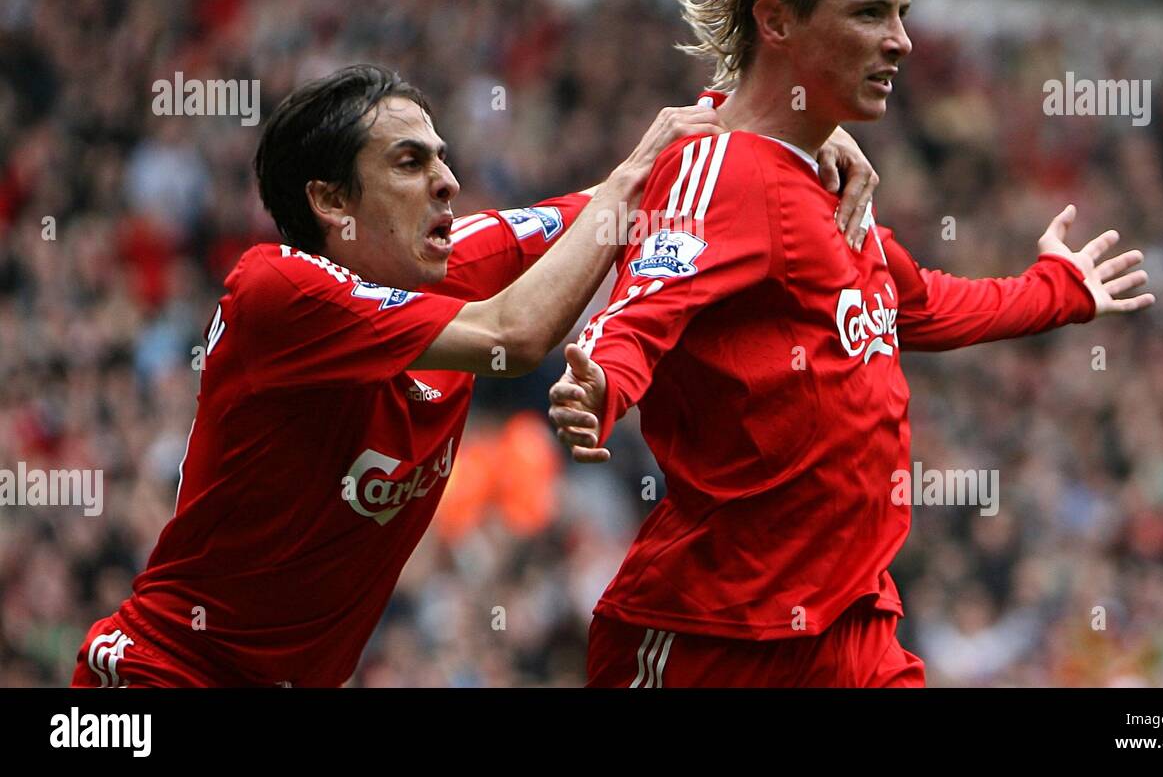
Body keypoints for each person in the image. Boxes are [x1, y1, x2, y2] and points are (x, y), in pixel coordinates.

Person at [547, 0, 1155, 688]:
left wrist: (1062, 289)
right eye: (871, 15)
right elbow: (643, 306)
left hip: (850, 628)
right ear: (778, 22)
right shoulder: (722, 167)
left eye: (902, 14)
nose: (902, 42)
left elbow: (919, 307)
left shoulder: (831, 181)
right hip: (713, 634)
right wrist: (601, 384)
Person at [70, 64, 876, 687]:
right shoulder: (275, 289)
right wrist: (638, 178)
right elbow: (517, 333)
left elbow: (617, 199)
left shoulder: (449, 273)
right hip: (153, 675)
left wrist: (778, 132)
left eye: (444, 159)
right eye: (411, 162)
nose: (449, 182)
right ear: (329, 201)